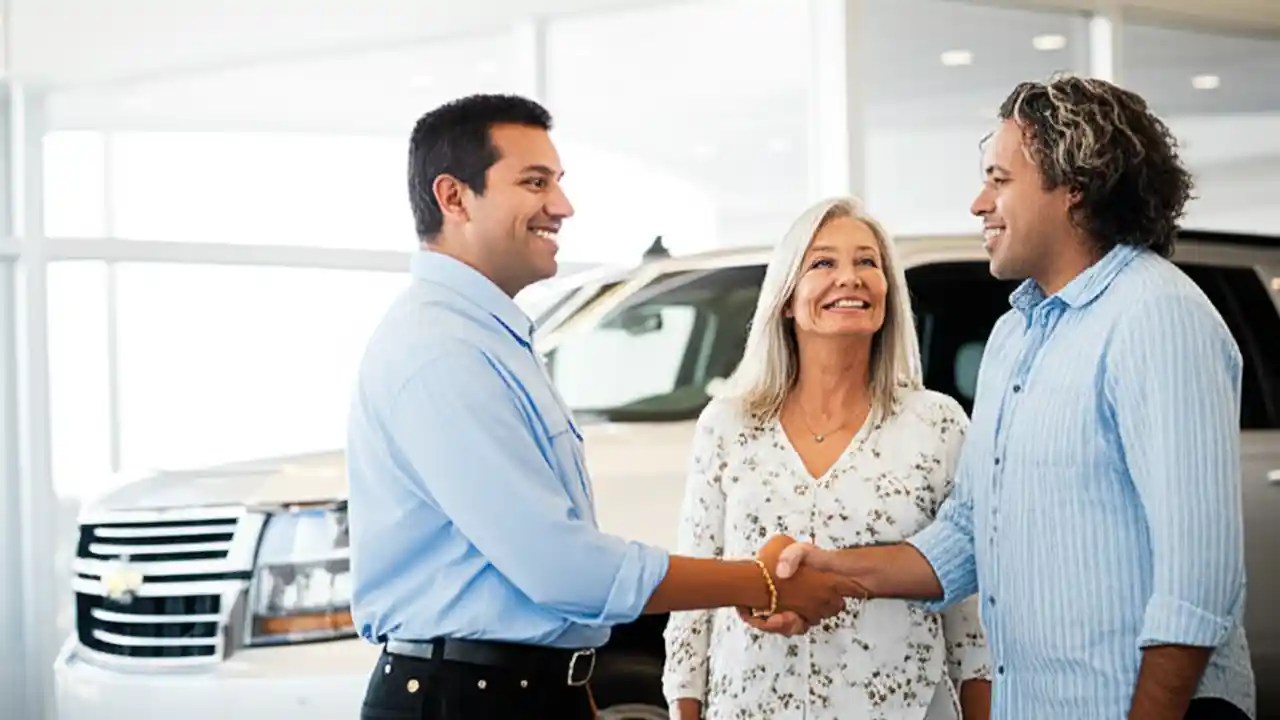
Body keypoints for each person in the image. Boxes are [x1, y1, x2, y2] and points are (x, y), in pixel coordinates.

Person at [345, 93, 862, 720]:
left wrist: (573, 686)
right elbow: (562, 567)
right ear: (454, 197)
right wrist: (761, 581)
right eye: (535, 182)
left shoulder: (487, 338)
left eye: (557, 182)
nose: (562, 206)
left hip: (519, 690)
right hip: (464, 699)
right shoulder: (442, 351)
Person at [756, 77, 1256, 719]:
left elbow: (1198, 578)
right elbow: (967, 536)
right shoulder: (1014, 336)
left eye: (999, 179)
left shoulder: (1156, 315)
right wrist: (830, 570)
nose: (978, 203)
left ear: (1074, 185)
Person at [661, 197, 992, 720]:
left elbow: (970, 615)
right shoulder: (727, 425)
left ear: (887, 291)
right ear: (786, 299)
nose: (849, 277)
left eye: (867, 262)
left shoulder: (938, 424)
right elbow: (693, 611)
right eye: (822, 262)